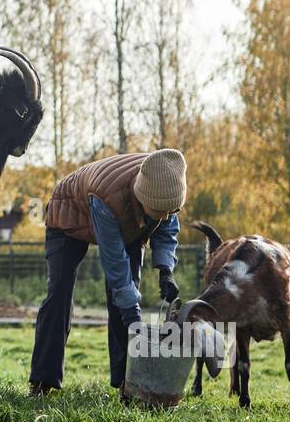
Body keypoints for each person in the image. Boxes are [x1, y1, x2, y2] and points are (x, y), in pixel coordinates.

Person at [29, 148, 187, 397]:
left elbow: (167, 228)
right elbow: (116, 267)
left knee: (125, 299)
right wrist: (134, 319)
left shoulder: (165, 179)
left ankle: (128, 383)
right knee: (60, 294)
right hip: (69, 213)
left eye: (170, 211)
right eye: (160, 212)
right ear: (143, 197)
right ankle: (42, 381)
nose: (166, 217)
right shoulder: (107, 198)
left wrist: (166, 270)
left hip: (129, 220)